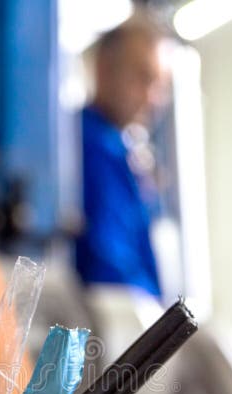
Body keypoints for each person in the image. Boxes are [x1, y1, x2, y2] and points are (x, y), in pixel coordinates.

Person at [75, 18, 170, 300]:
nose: (153, 98)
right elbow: (110, 267)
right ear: (103, 70)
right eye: (143, 78)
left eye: (160, 85)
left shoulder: (123, 151)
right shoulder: (92, 149)